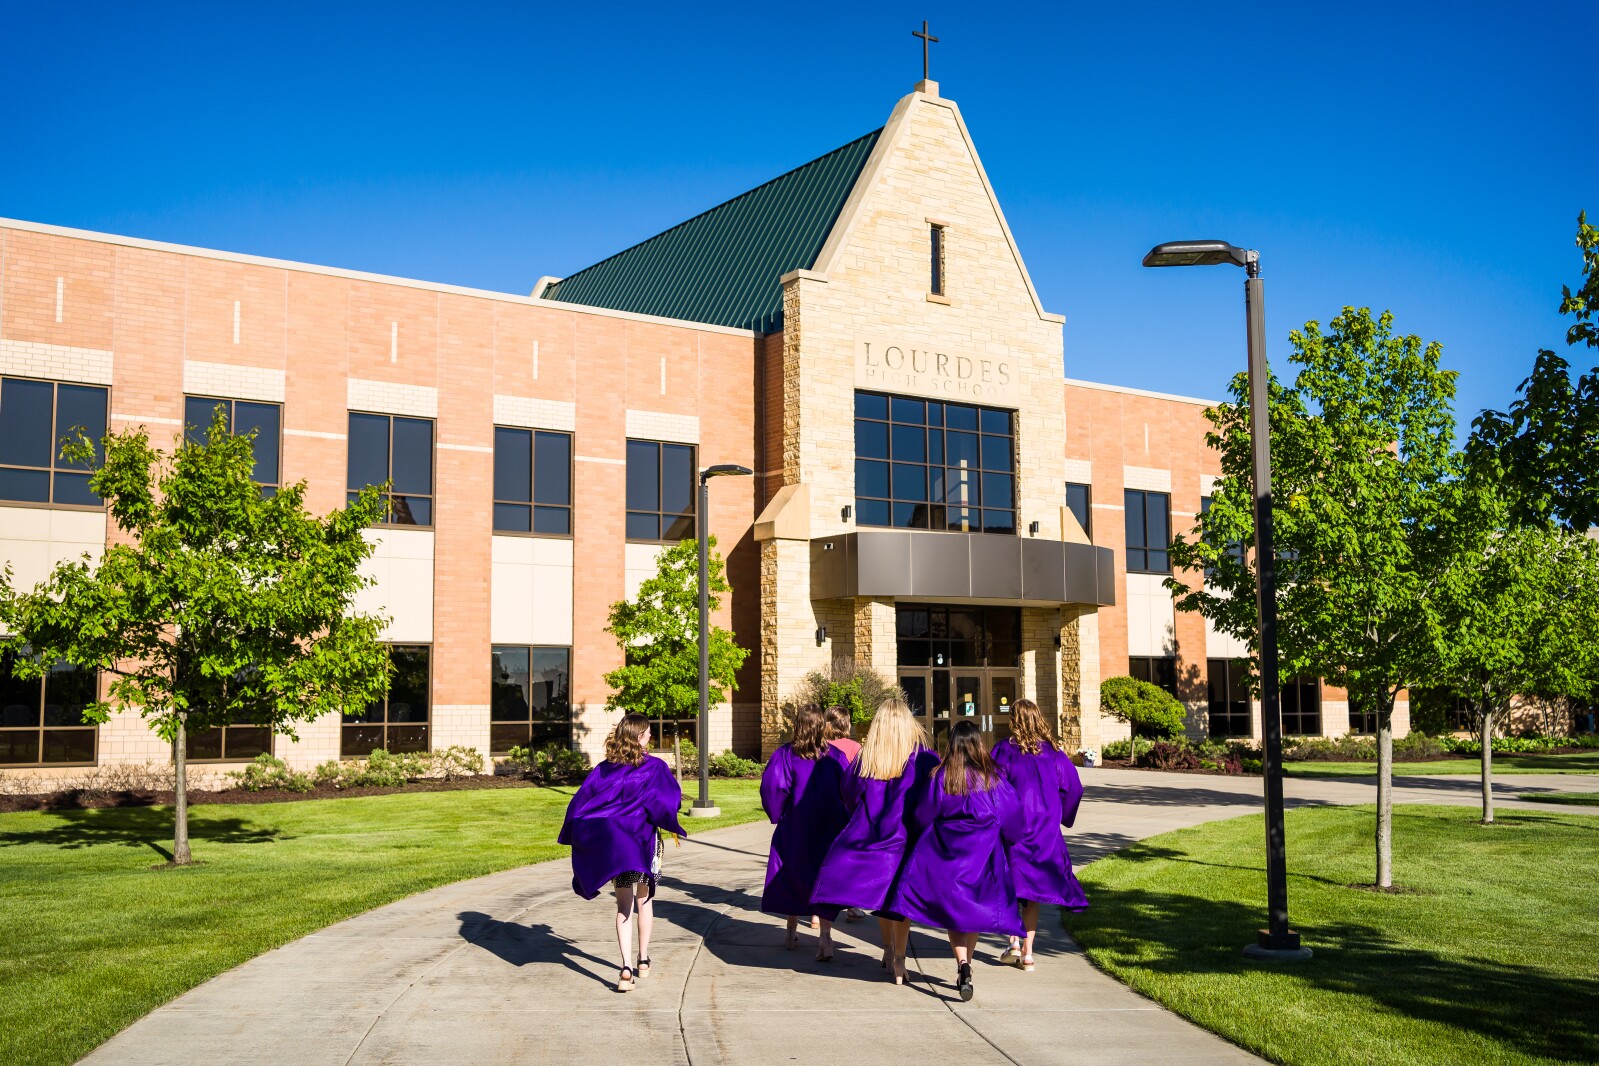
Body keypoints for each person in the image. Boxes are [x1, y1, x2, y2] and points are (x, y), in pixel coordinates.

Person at [889, 719, 1024, 1002]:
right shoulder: (992, 779)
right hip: (982, 855)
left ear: (952, 745)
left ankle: (962, 963)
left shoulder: (942, 776)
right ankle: (967, 964)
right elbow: (1012, 818)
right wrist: (1011, 837)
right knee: (970, 912)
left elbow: (924, 815)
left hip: (948, 855)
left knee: (955, 913)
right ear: (978, 744)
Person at [811, 698, 940, 985]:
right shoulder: (926, 758)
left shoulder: (866, 760)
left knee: (884, 899)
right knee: (899, 902)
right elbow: (932, 800)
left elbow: (849, 794)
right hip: (907, 838)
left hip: (872, 837)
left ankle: (889, 950)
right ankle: (898, 960)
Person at [558, 713, 685, 992]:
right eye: (649, 733)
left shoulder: (605, 768)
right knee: (645, 900)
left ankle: (625, 969)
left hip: (617, 851)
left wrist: (579, 832)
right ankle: (643, 960)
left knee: (623, 905)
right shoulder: (654, 768)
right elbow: (667, 801)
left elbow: (581, 803)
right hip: (643, 846)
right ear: (640, 737)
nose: (652, 736)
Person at [991, 698, 1088, 972]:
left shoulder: (1004, 751)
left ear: (1013, 720)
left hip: (1014, 827)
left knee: (1012, 884)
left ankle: (1013, 942)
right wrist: (1062, 816)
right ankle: (1028, 953)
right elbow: (1074, 788)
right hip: (1044, 829)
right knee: (1031, 893)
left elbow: (991, 786)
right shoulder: (1054, 754)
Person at [760, 704, 851, 959]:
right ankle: (825, 937)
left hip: (796, 824)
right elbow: (849, 789)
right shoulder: (835, 756)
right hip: (829, 826)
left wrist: (776, 813)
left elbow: (773, 789)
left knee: (791, 873)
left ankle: (790, 931)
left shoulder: (785, 755)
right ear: (822, 725)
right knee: (824, 880)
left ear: (798, 725)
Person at [820, 704, 868, 923]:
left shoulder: (820, 747)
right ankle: (852, 904)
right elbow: (861, 780)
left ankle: (817, 911)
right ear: (846, 724)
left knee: (822, 856)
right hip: (848, 810)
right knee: (851, 857)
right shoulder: (854, 748)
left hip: (824, 807)